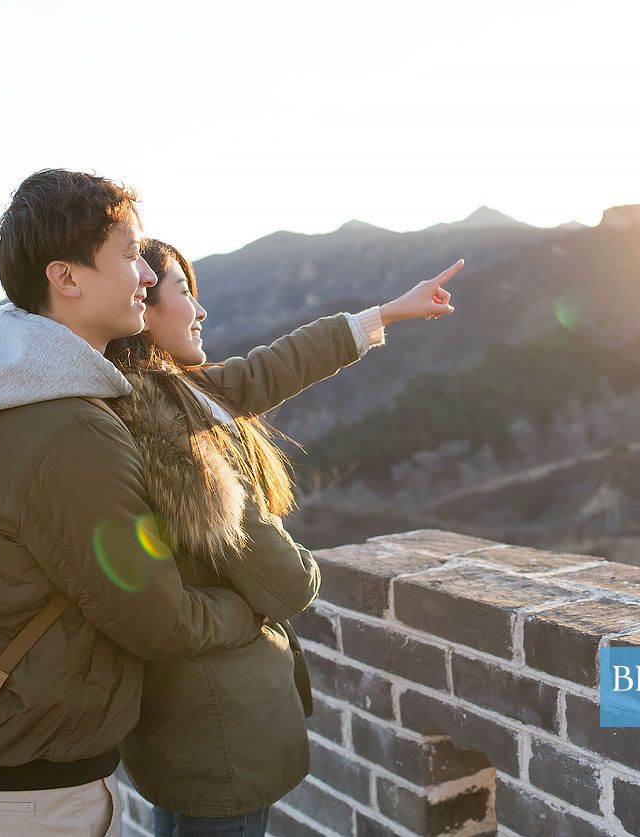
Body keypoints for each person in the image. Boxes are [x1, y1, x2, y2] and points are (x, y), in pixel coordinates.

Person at [0, 170, 266, 836]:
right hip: (41, 789)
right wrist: (245, 609)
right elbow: (157, 620)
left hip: (10, 760)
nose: (144, 275)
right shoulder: (66, 428)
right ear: (66, 278)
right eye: (131, 254)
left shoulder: (1, 392)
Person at [104, 239, 460, 837]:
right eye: (184, 293)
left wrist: (386, 314)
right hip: (223, 728)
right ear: (142, 309)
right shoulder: (180, 437)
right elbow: (289, 586)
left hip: (178, 726)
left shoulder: (159, 398)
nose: (201, 311)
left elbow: (270, 368)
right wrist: (294, 572)